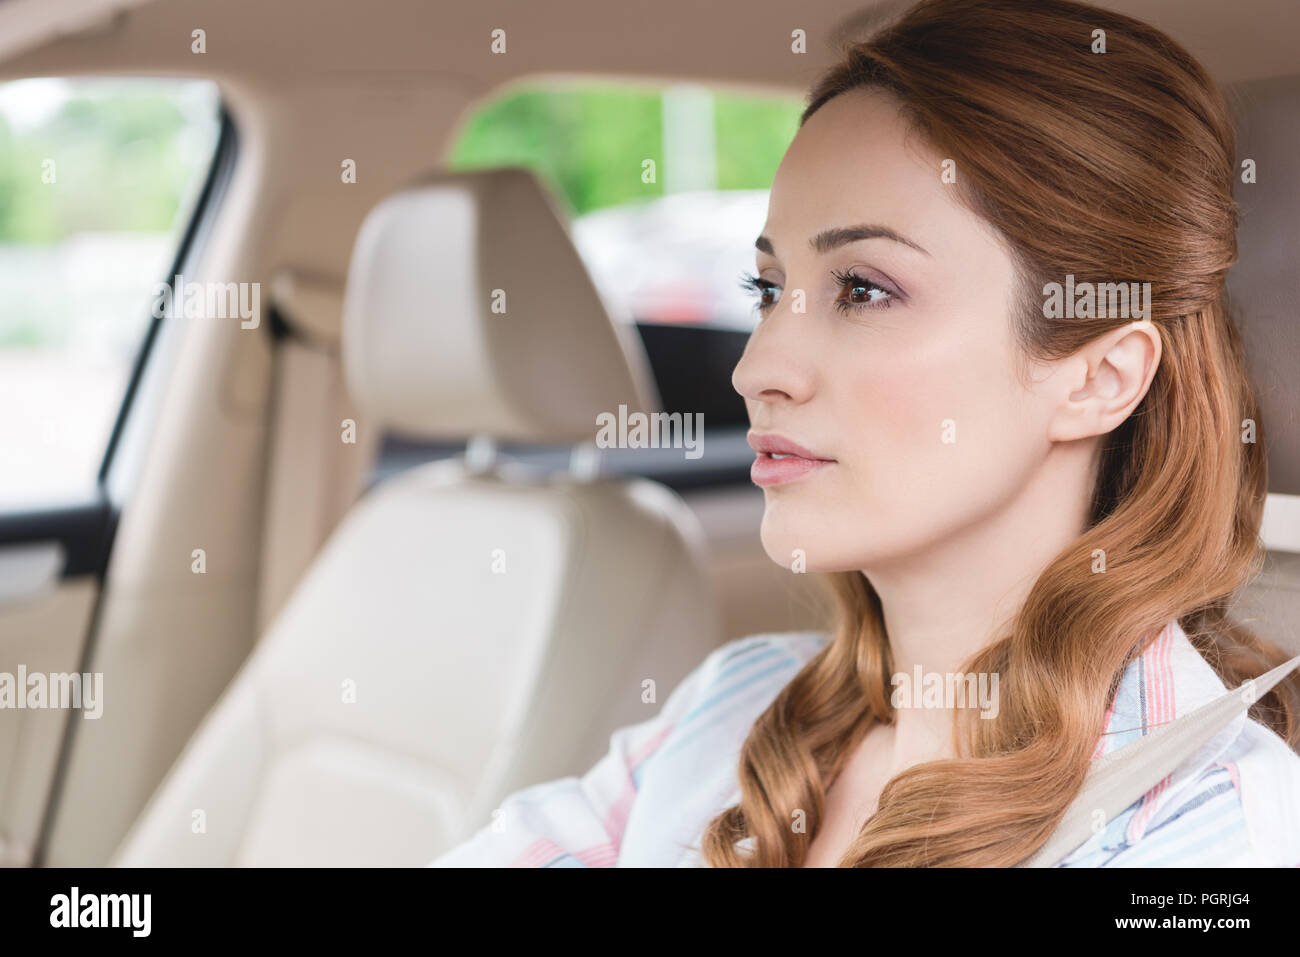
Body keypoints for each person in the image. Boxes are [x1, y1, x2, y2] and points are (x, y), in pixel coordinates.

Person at [432, 0, 1300, 867]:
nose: (757, 367)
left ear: (1098, 378)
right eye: (768, 288)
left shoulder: (1206, 831)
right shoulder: (730, 709)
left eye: (864, 290)